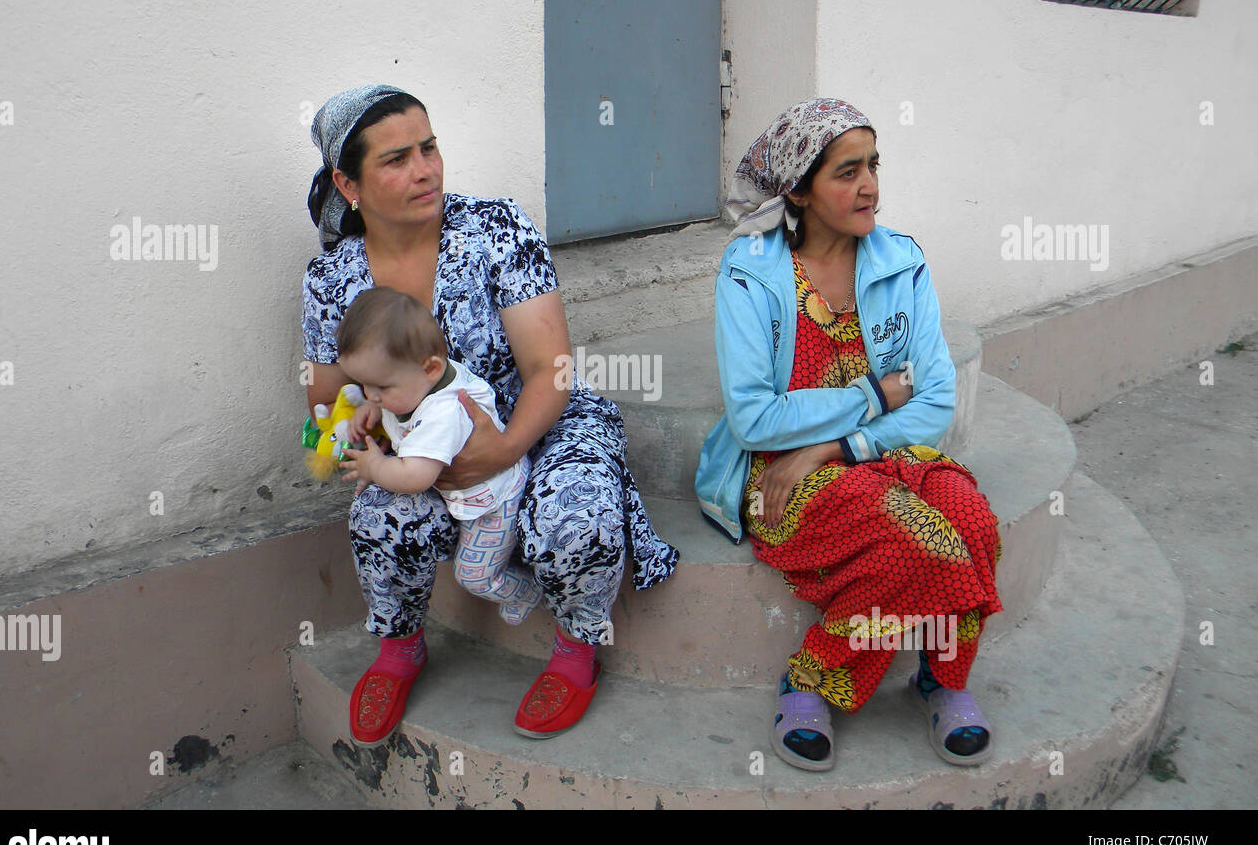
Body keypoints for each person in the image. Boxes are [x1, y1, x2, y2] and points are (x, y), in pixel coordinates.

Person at [302, 85, 679, 747]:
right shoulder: (333, 278)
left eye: (429, 148)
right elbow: (329, 400)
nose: (424, 170)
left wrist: (503, 449)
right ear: (347, 181)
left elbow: (549, 370)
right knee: (378, 514)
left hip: (540, 419)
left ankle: (574, 652)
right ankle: (399, 649)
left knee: (579, 515)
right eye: (396, 159)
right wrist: (366, 437)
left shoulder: (493, 229)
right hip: (424, 441)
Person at [694, 97, 1003, 771]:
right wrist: (870, 396)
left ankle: (943, 678)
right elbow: (754, 417)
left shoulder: (900, 260)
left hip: (873, 453)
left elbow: (934, 401)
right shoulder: (749, 270)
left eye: (874, 165)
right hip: (780, 470)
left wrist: (841, 442)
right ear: (799, 190)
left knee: (972, 520)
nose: (870, 186)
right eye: (847, 171)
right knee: (914, 544)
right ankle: (811, 678)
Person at [335, 286, 541, 632]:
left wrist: (376, 466)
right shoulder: (416, 380)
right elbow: (395, 402)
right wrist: (374, 407)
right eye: (364, 385)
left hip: (492, 501)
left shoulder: (444, 412)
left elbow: (416, 477)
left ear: (430, 369)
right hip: (460, 493)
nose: (371, 395)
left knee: (473, 575)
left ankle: (523, 590)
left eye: (380, 388)